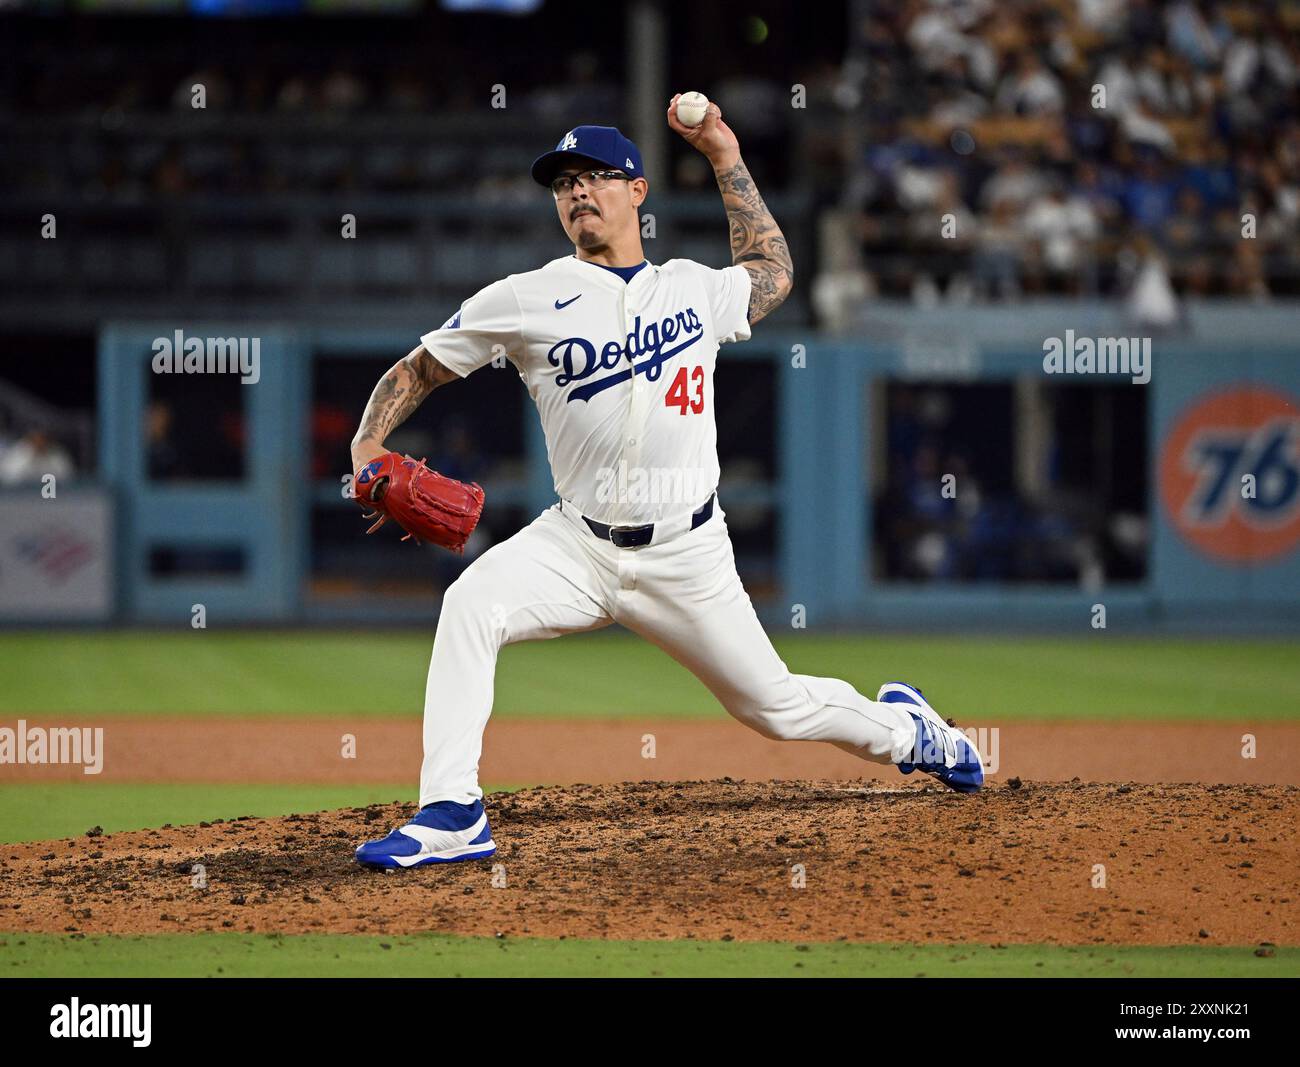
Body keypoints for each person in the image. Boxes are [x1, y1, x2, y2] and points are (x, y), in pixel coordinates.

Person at [349, 99, 983, 868]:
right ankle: (452, 811)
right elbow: (420, 366)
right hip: (575, 544)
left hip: (689, 553)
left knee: (775, 708)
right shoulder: (524, 297)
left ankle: (912, 732)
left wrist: (723, 153)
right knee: (469, 604)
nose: (578, 193)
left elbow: (775, 271)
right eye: (563, 185)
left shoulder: (692, 288)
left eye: (595, 177)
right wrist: (366, 443)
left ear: (637, 192)